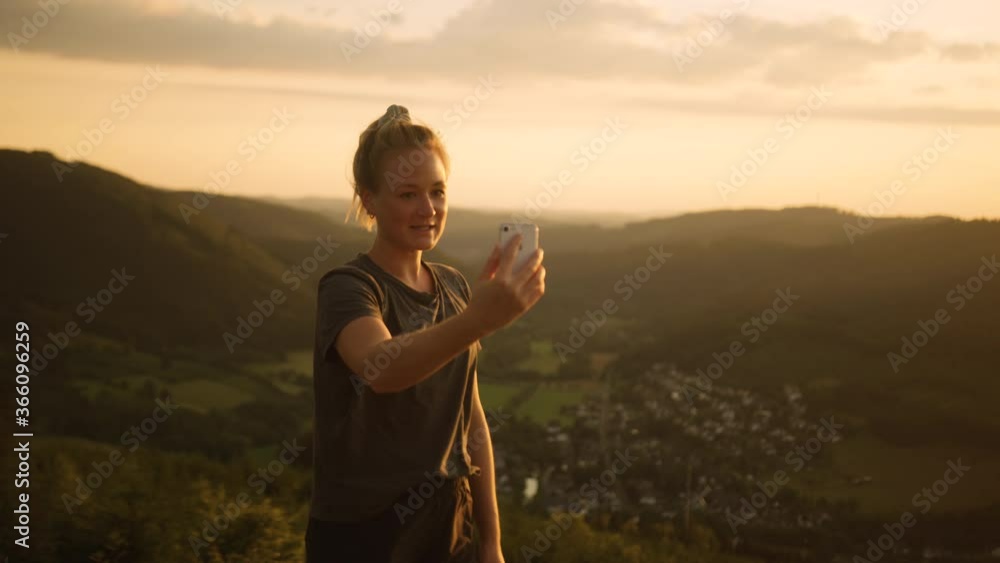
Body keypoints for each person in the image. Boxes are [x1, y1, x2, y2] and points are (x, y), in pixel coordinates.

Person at [306, 104, 546, 563]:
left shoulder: (454, 286)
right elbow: (382, 368)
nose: (428, 209)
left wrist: (491, 544)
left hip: (447, 527)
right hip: (363, 535)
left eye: (437, 192)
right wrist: (480, 319)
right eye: (408, 194)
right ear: (369, 200)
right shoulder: (350, 287)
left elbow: (471, 422)